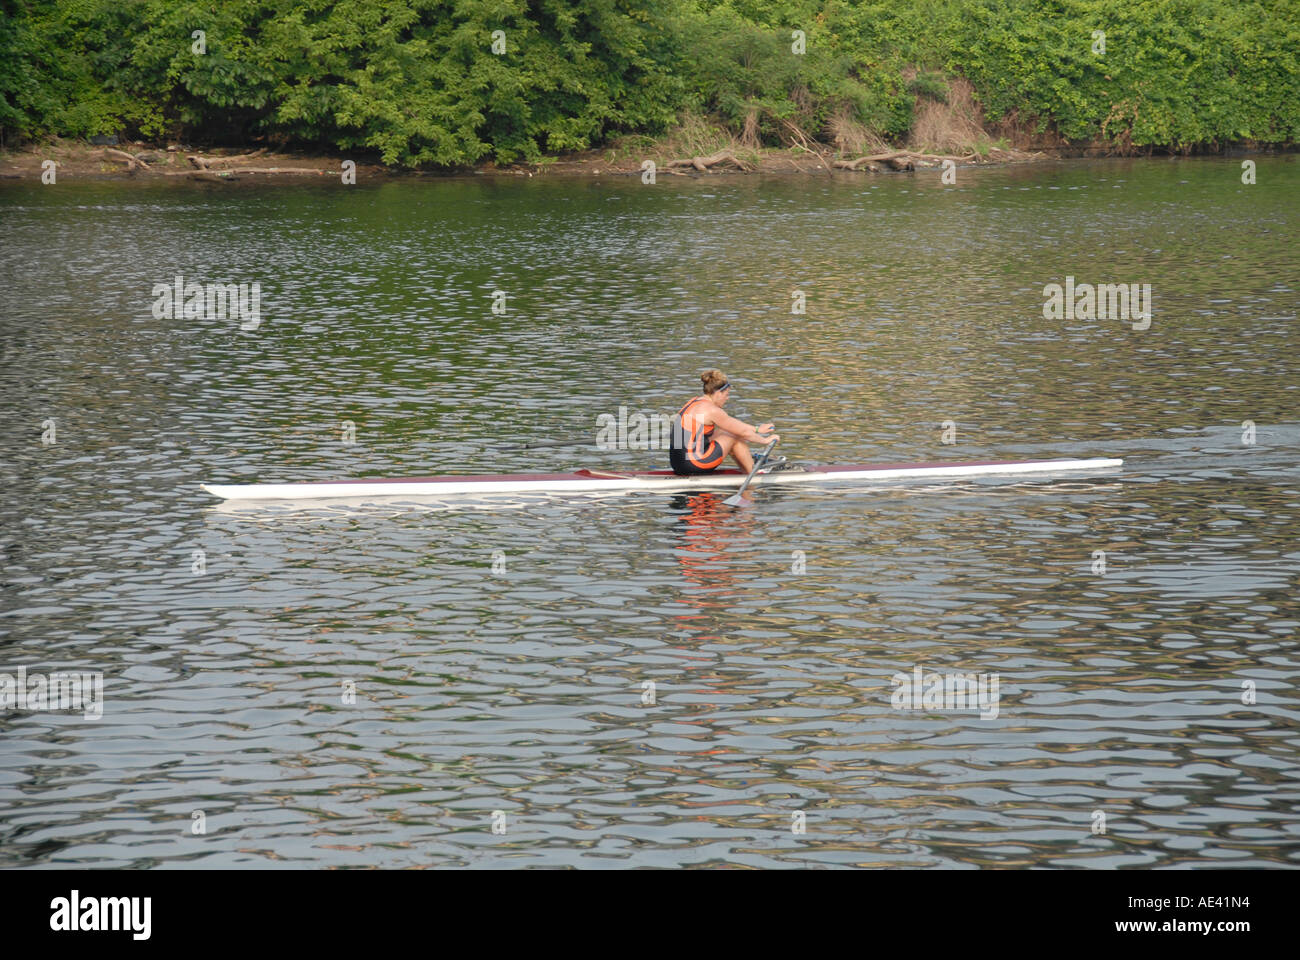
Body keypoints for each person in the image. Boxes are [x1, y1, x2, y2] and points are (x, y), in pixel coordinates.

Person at [669, 369, 780, 476]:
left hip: (677, 464)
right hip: (693, 464)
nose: (727, 398)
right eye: (726, 394)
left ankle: (747, 467)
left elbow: (734, 424)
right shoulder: (711, 410)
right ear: (718, 393)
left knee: (724, 431)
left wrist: (757, 429)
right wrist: (765, 440)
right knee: (734, 435)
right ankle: (754, 473)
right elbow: (743, 432)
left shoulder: (693, 401)